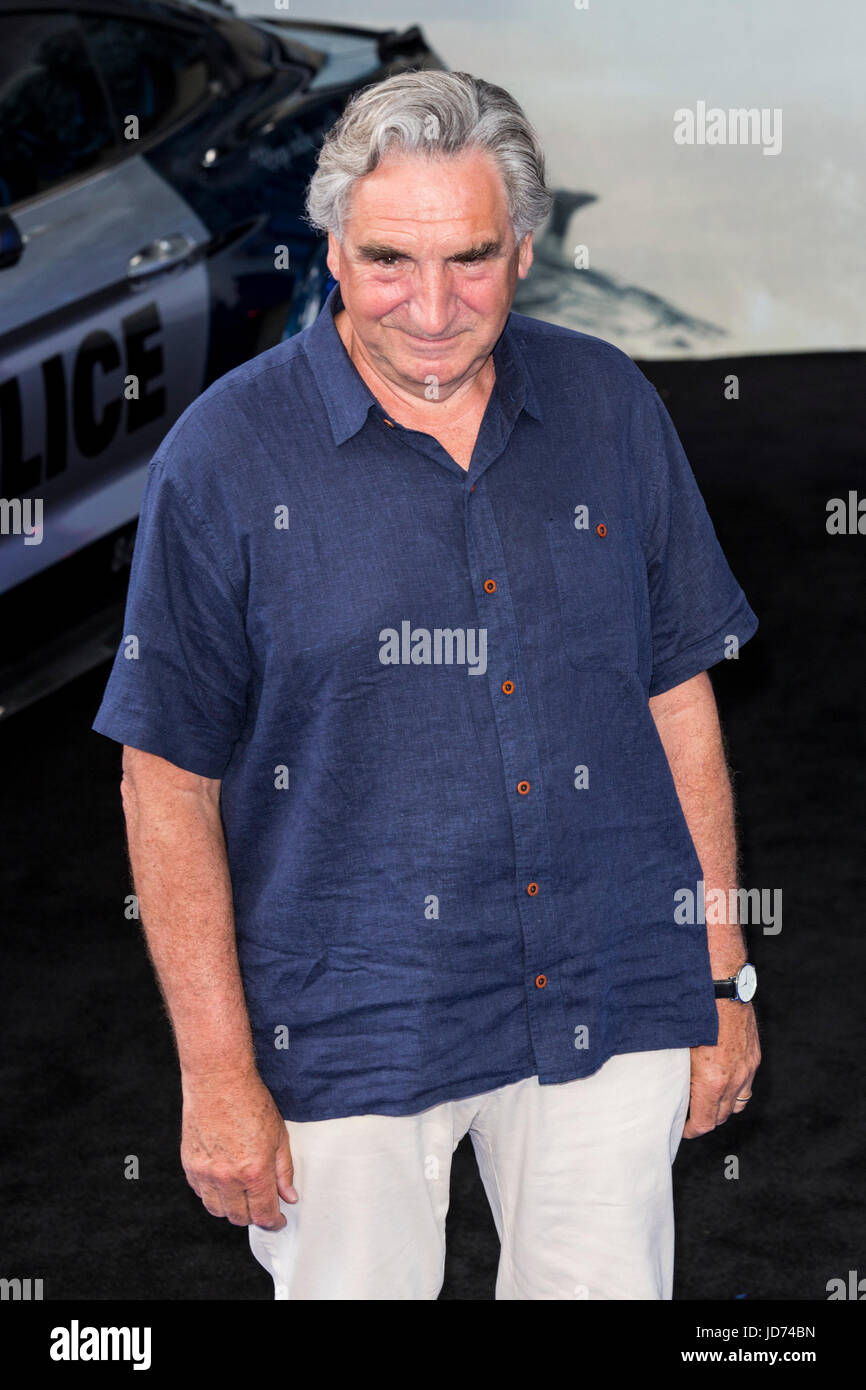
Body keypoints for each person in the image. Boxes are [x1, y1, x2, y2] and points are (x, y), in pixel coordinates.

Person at [92, 70, 761, 1301]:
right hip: (343, 1018)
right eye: (391, 259)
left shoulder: (608, 406)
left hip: (607, 988)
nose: (434, 308)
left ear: (523, 250)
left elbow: (677, 702)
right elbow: (165, 780)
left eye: (471, 259)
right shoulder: (226, 459)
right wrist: (216, 1073)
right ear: (333, 250)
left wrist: (716, 973)